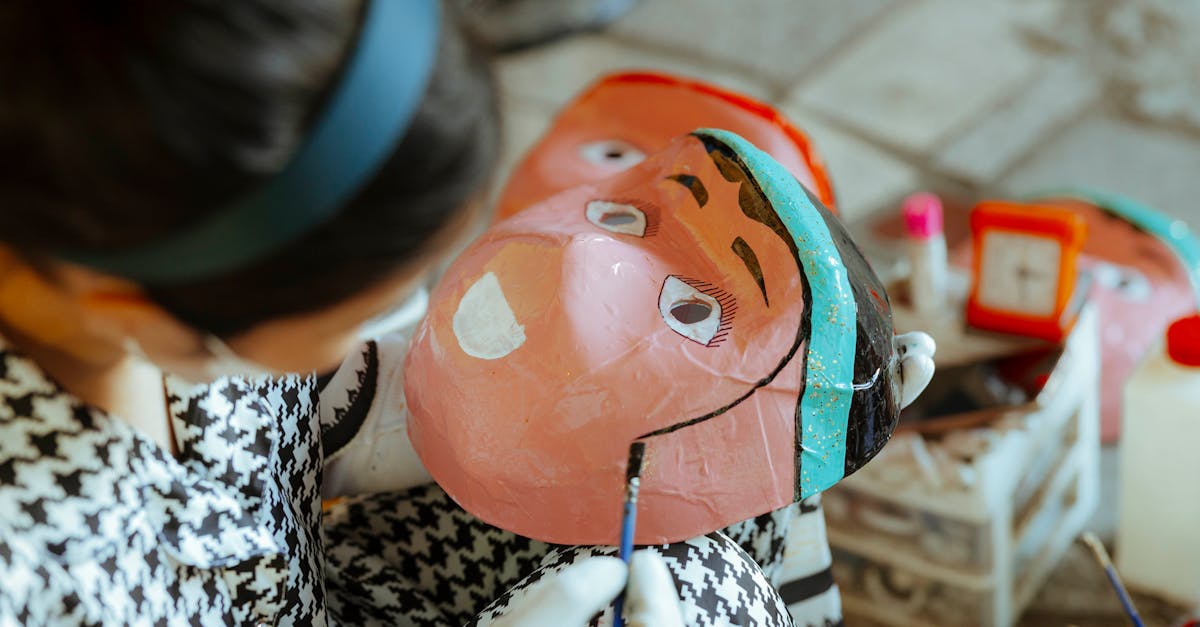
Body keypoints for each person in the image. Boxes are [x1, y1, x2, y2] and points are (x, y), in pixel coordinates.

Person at [0, 1, 790, 625]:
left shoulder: (171, 213)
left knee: (710, 482)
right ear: (130, 307)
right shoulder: (37, 567)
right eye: (373, 303)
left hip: (325, 582)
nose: (412, 312)